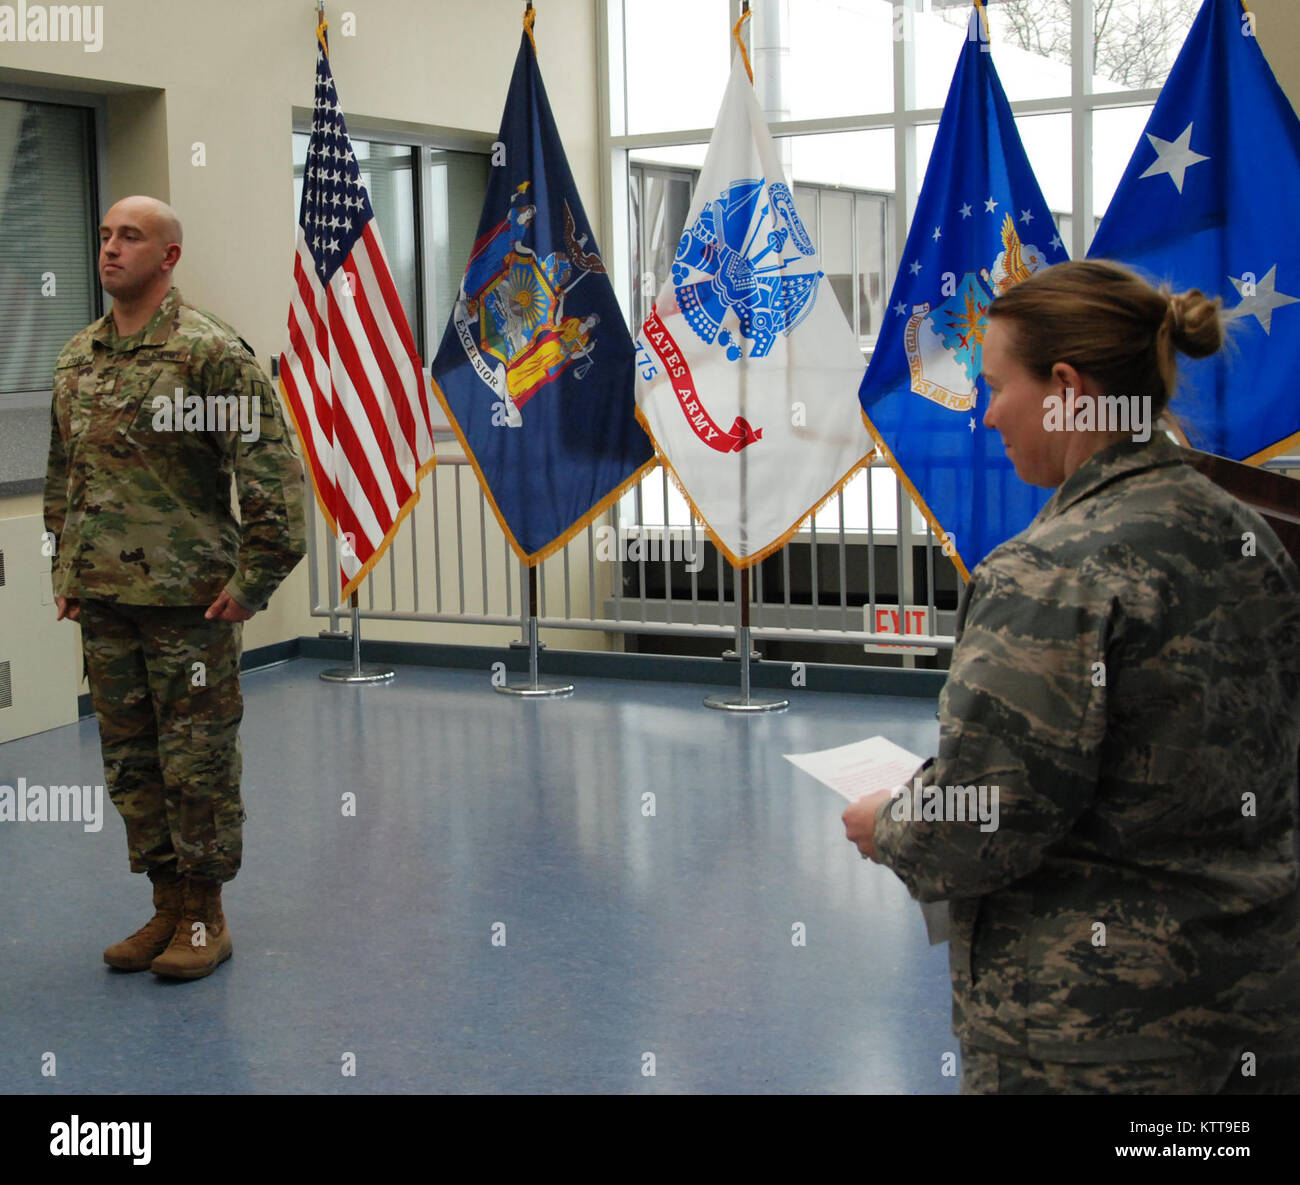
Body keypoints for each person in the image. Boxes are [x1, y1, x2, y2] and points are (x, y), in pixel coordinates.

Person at [841, 258, 1300, 1094]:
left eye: (996, 386)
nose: (987, 418)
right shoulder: (1251, 534)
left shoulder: (1048, 572)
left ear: (1065, 387)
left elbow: (985, 817)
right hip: (1256, 1009)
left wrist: (891, 824)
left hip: (1093, 1041)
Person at [44, 195, 307, 980]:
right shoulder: (77, 357)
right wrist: (66, 568)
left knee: (196, 763)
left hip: (190, 604)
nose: (111, 249)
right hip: (105, 601)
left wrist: (256, 579)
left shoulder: (207, 354)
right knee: (131, 763)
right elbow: (66, 478)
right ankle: (165, 903)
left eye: (131, 237)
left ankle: (207, 915)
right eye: (104, 235)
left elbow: (273, 472)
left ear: (170, 256)